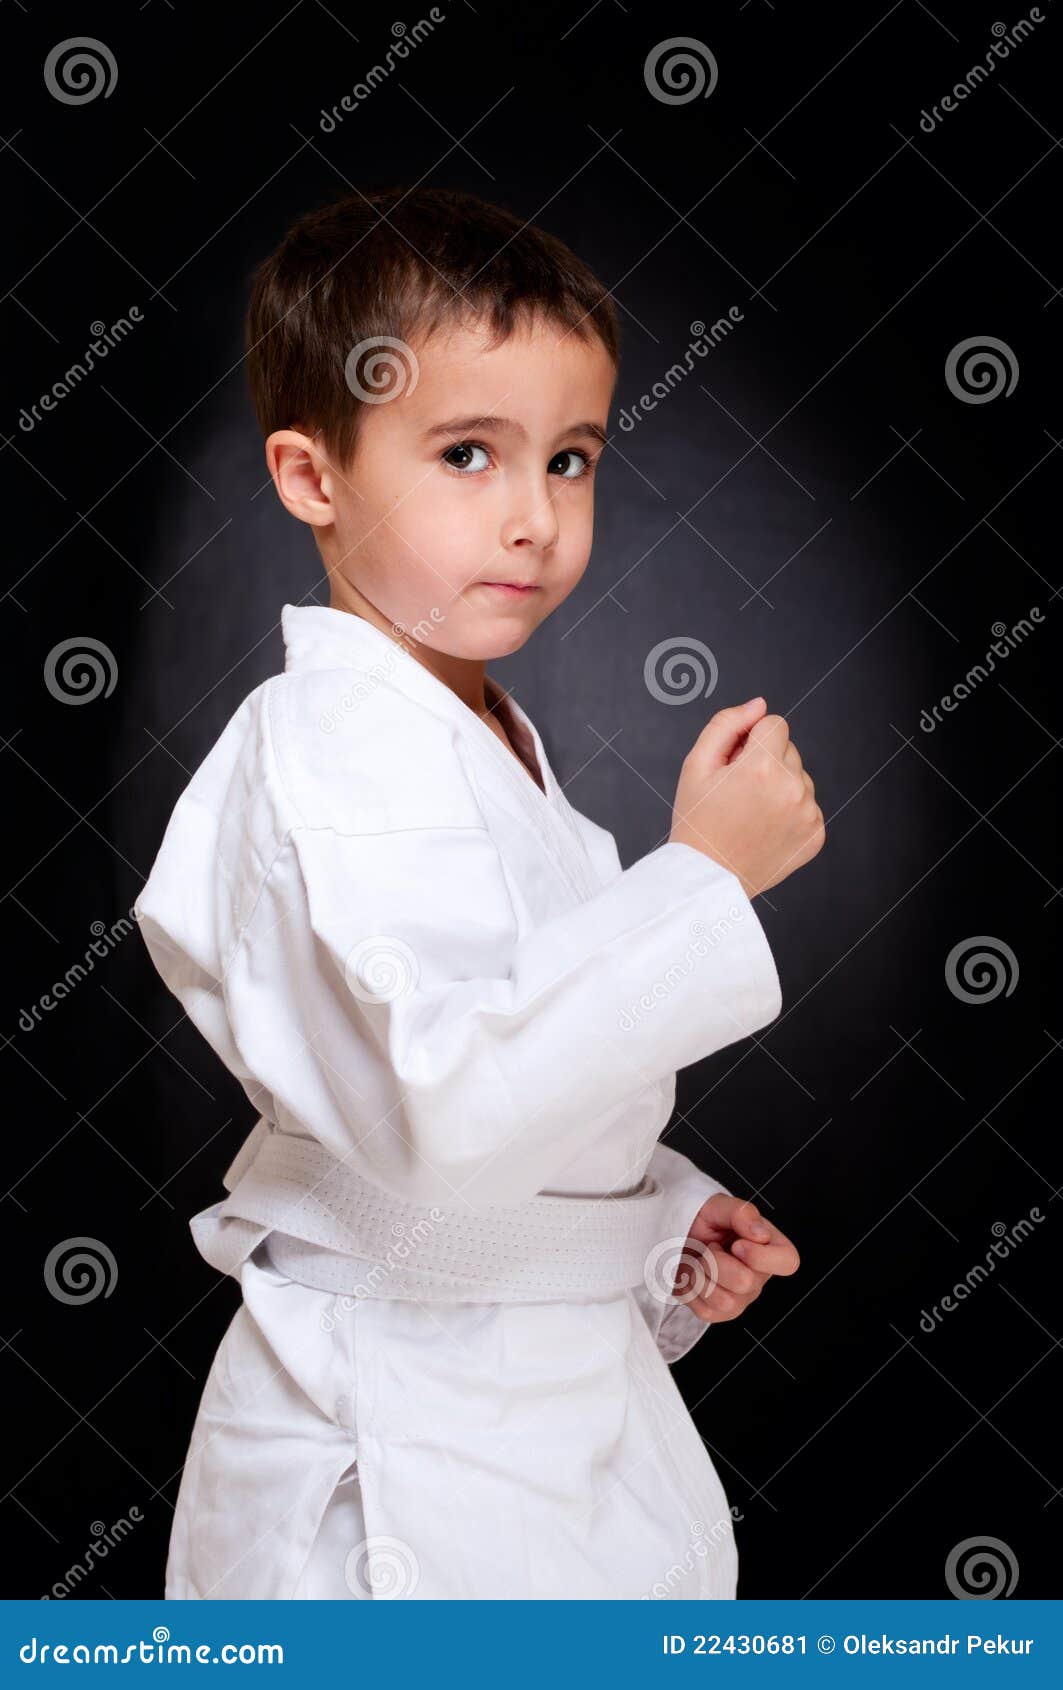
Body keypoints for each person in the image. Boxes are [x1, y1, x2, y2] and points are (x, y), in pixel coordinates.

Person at [134, 185, 823, 1601]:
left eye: (569, 459)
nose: (532, 516)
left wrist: (647, 1220)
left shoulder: (489, 746)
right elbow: (446, 1109)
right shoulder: (330, 746)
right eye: (466, 452)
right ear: (311, 475)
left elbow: (527, 1091)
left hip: (543, 1441)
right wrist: (703, 878)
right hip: (390, 1473)